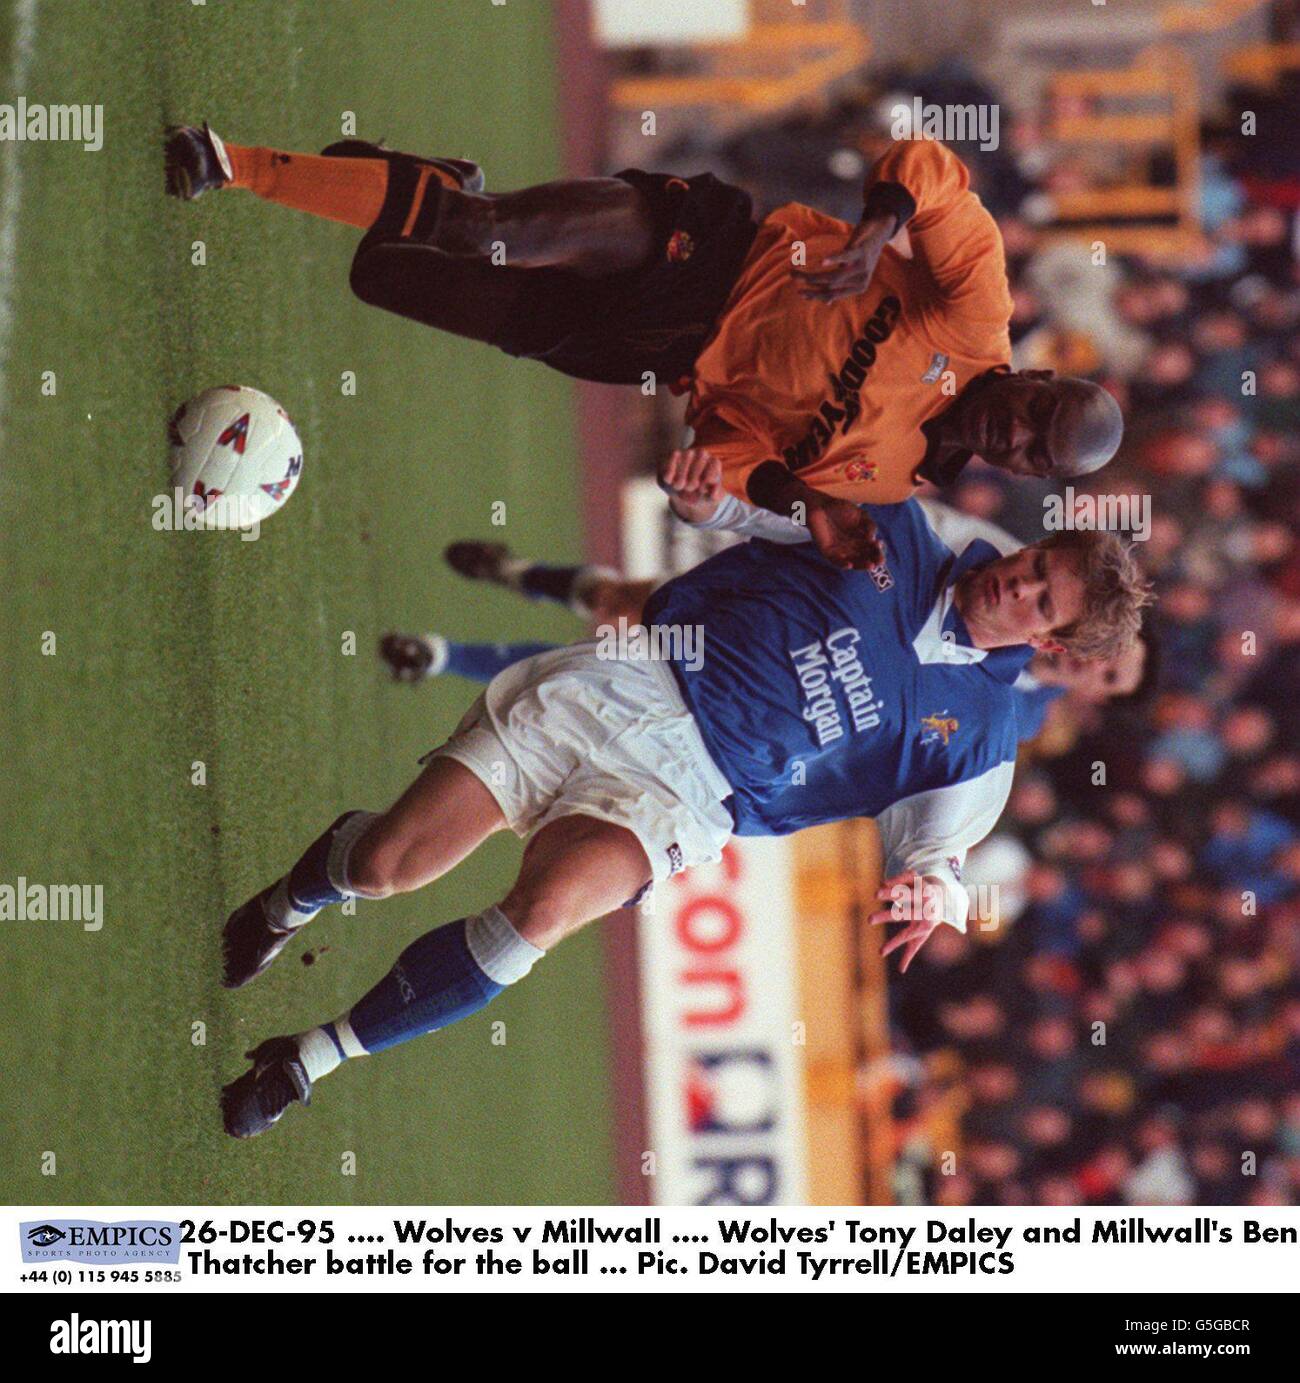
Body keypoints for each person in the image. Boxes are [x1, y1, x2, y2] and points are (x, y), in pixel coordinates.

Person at [218, 452, 1150, 1139]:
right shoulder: (891, 529)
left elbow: (943, 861)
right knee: (389, 866)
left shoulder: (984, 741)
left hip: (695, 795)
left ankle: (310, 1058)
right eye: (1034, 562)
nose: (1016, 582)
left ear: (1057, 645)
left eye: (1040, 601)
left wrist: (930, 894)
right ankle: (300, 893)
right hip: (629, 682)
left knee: (540, 913)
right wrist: (702, 497)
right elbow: (751, 513)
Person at [164, 125, 1123, 567]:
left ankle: (435, 182)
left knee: (387, 273)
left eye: (1036, 455)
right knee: (483, 229)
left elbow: (740, 438)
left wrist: (744, 492)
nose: (1020, 437)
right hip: (710, 247)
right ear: (1040, 375)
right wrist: (879, 230)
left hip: (654, 348)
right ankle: (231, 163)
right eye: (1041, 413)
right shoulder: (975, 316)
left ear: (1027, 474)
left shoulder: (897, 481)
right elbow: (936, 173)